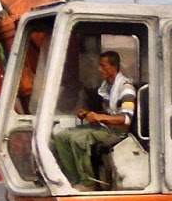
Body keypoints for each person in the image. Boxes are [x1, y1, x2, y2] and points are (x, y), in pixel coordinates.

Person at [52, 50, 137, 191]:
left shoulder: (126, 88)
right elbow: (109, 112)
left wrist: (100, 117)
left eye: (103, 66)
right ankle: (74, 178)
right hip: (104, 128)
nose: (99, 69)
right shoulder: (106, 87)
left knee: (78, 139)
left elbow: (126, 119)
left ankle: (88, 182)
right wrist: (89, 114)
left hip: (117, 133)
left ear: (114, 67)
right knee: (62, 136)